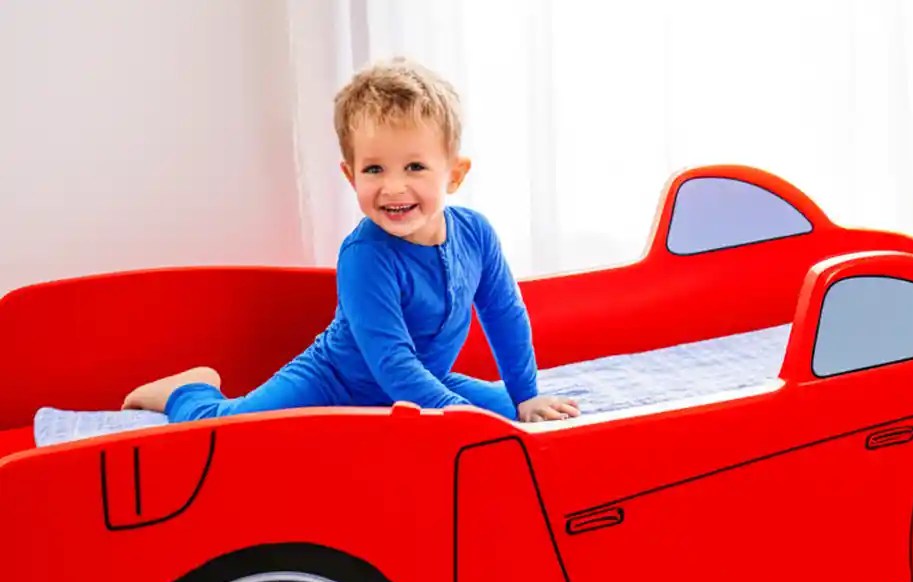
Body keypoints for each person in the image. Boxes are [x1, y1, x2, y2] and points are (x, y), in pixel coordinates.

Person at [122, 58, 579, 424]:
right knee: (230, 427)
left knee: (516, 416)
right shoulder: (366, 255)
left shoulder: (476, 234)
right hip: (335, 382)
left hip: (421, 383)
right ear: (350, 175)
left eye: (415, 167)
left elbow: (504, 315)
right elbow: (393, 363)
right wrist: (461, 418)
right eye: (374, 169)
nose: (393, 187)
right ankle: (187, 390)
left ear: (454, 175)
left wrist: (525, 396)